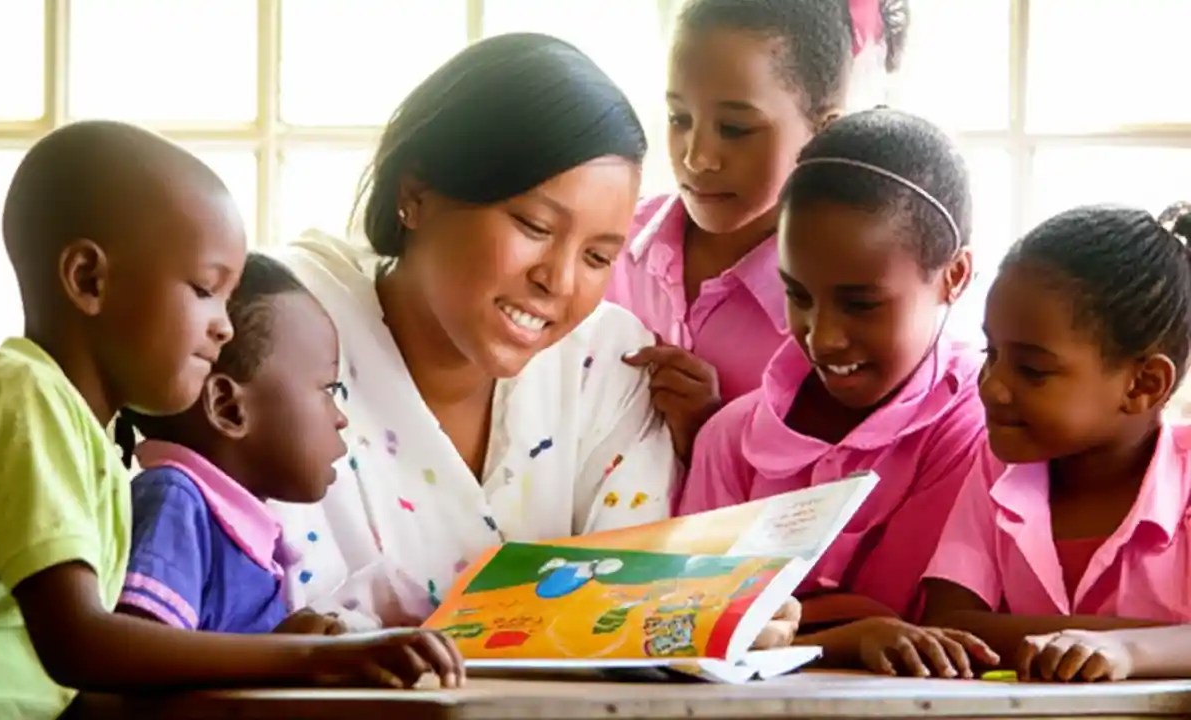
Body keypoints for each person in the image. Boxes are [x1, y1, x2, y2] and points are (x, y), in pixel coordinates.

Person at [0, 121, 460, 720]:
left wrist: (282, 651)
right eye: (205, 290)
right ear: (89, 280)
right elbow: (79, 646)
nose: (223, 326)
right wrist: (313, 658)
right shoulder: (20, 399)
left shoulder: (79, 433)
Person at [272, 32, 684, 629]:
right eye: (534, 225)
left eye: (597, 257)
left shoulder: (608, 365)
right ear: (416, 195)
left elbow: (636, 600)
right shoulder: (288, 330)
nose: (560, 281)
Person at [678, 109, 994, 678]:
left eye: (861, 304)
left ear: (955, 276)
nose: (821, 336)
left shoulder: (975, 423)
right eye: (797, 295)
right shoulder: (731, 438)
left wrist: (781, 624)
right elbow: (688, 618)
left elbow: (914, 620)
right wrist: (855, 633)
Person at [609, 0, 911, 459]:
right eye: (679, 119)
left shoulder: (837, 324)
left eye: (735, 128)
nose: (697, 157)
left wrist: (714, 435)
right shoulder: (606, 247)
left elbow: (828, 501)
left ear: (823, 131)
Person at [921, 203, 1191, 682]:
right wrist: (1162, 640)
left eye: (1032, 370)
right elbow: (949, 625)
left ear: (1143, 384)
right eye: (992, 353)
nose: (991, 386)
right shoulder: (995, 469)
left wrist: (1126, 649)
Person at [115, 253, 352, 636]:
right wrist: (289, 656)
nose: (340, 418)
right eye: (328, 389)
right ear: (229, 407)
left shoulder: (238, 528)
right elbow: (132, 665)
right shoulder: (175, 502)